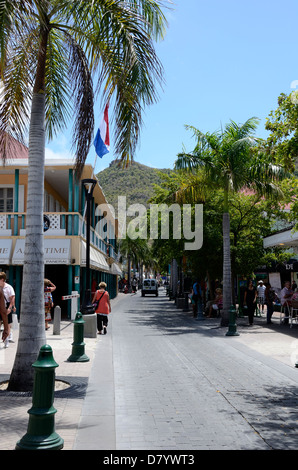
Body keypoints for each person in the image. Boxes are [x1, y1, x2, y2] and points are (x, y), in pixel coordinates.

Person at [0, 272, 16, 346]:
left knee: (8, 324)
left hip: (6, 307)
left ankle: (6, 340)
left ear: (2, 279)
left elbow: (12, 298)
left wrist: (10, 307)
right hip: (1, 307)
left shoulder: (8, 287)